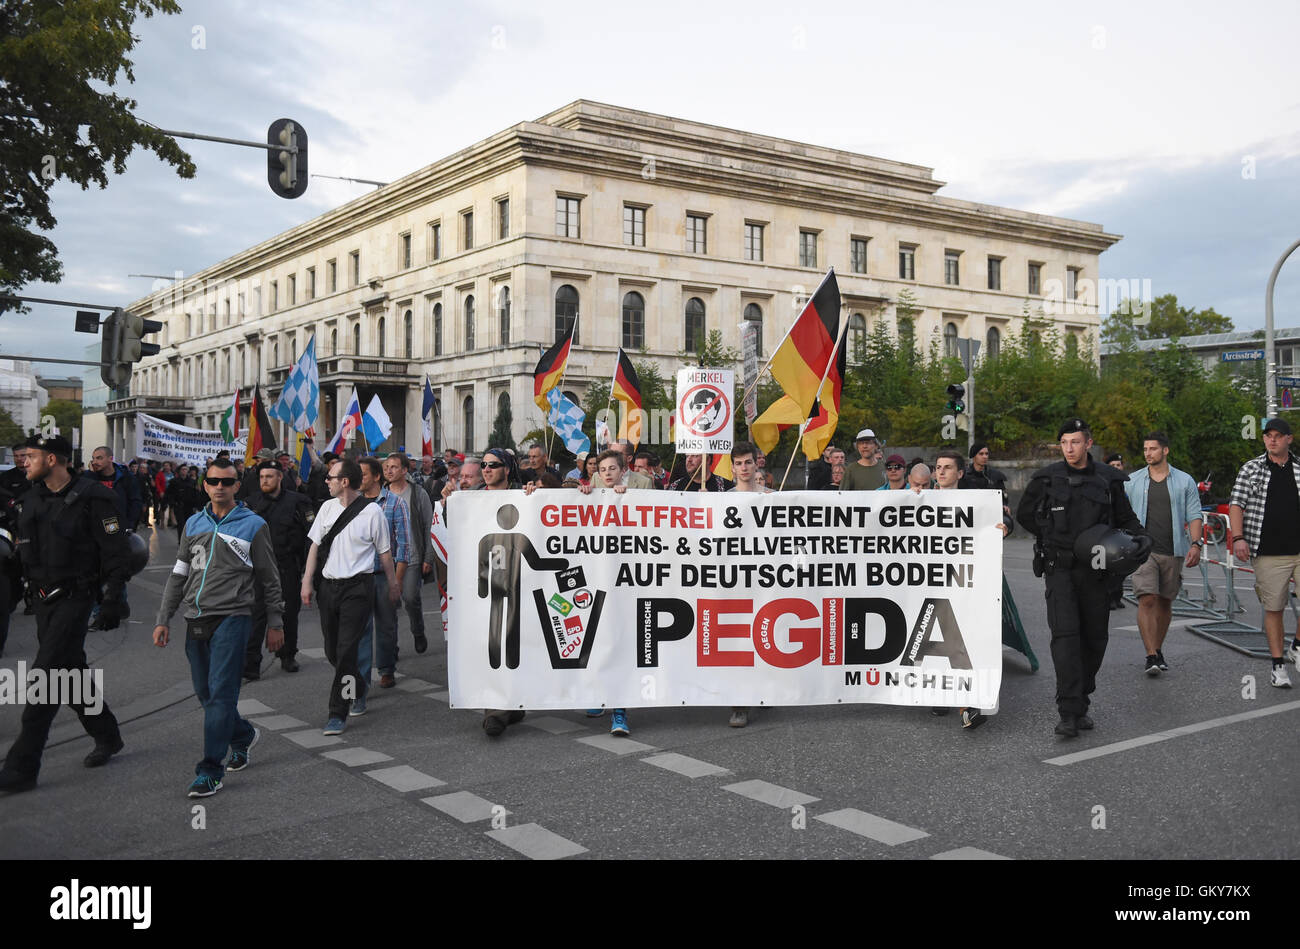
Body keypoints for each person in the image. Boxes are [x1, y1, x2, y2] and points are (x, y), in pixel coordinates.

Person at [0, 435, 128, 794]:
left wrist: (113, 600)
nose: (24, 462)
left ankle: (21, 767)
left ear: (53, 460)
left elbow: (116, 552)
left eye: (32, 457)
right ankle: (107, 734)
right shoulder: (31, 498)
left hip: (76, 597)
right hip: (42, 602)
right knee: (69, 674)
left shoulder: (95, 497)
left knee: (45, 676)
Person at [152, 457, 284, 797]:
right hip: (196, 619)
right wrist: (163, 619)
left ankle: (210, 770)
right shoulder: (194, 523)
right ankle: (241, 735)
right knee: (207, 695)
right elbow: (179, 575)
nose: (220, 487)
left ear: (237, 486)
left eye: (227, 482)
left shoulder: (253, 524)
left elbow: (269, 578)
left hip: (234, 617)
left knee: (221, 695)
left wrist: (275, 621)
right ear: (205, 484)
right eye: (213, 481)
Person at [1017, 418, 1146, 738]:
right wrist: (1053, 537)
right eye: (1064, 443)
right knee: (1065, 638)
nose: (1069, 449)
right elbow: (1025, 515)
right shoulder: (1047, 479)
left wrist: (1141, 538)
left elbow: (1126, 517)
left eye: (1075, 442)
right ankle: (1069, 710)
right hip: (1060, 571)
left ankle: (1082, 697)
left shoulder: (1108, 480)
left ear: (1089, 443)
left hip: (1098, 572)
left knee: (1094, 638)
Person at [301, 458, 399, 736]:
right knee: (333, 650)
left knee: (346, 651)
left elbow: (384, 553)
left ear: (344, 481)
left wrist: (392, 585)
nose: (326, 482)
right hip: (329, 587)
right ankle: (355, 683)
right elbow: (314, 547)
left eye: (330, 478)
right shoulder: (326, 508)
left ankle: (338, 712)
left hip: (358, 588)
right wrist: (307, 581)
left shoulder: (372, 513)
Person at [1123, 432, 1203, 676]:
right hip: (1143, 550)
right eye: (1145, 449)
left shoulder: (1184, 481)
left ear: (1165, 451)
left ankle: (1158, 650)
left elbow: (1195, 514)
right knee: (1147, 598)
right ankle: (1150, 655)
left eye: (1153, 449)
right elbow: (1118, 511)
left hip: (1174, 549)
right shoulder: (1132, 481)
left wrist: (1196, 544)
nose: (1148, 453)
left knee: (1166, 602)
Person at [1228, 418, 1300, 687]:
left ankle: (1297, 645)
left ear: (1289, 439)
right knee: (1274, 608)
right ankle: (1278, 665)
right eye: (1268, 436)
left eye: (1278, 436)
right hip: (1268, 551)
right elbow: (1236, 504)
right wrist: (1238, 538)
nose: (1272, 440)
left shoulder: (1298, 468)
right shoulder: (1252, 469)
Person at [576, 449, 635, 736]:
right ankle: (600, 695)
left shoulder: (629, 496)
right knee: (596, 643)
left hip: (624, 585)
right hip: (595, 582)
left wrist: (625, 496)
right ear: (596, 472)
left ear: (623, 471)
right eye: (603, 469)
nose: (608, 473)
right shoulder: (586, 496)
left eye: (613, 468)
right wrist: (582, 493)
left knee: (619, 644)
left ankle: (620, 710)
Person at [475, 447, 532, 737]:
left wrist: (537, 495)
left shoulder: (524, 497)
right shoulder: (470, 500)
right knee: (491, 646)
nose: (486, 469)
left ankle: (511, 703)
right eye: (483, 464)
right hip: (488, 590)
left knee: (515, 645)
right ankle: (495, 710)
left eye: (493, 465)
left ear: (506, 469)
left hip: (519, 585)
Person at [244, 459, 314, 676]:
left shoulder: (298, 502)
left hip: (286, 567)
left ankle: (287, 655)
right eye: (262, 477)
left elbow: (310, 537)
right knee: (255, 615)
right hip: (256, 569)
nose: (265, 481)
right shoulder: (250, 503)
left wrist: (306, 571)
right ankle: (251, 663)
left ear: (280, 477)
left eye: (270, 476)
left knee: (288, 613)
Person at [355, 456, 412, 699]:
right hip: (358, 577)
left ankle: (387, 668)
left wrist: (396, 581)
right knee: (360, 630)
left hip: (383, 576)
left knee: (386, 626)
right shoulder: (351, 503)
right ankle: (361, 679)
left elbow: (403, 545)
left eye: (364, 475)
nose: (359, 480)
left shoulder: (395, 504)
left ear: (376, 477)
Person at [725, 442, 771, 728]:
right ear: (732, 468)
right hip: (735, 583)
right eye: (739, 463)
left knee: (766, 638)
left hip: (766, 581)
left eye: (748, 463)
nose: (744, 468)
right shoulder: (722, 500)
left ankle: (766, 690)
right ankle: (739, 703)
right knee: (737, 640)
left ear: (757, 465)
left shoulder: (772, 498)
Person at [84, 445, 142, 629]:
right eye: (93, 458)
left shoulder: (125, 478)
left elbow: (135, 501)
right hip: (93, 535)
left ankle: (119, 601)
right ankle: (99, 614)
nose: (95, 461)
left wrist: (130, 525)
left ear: (110, 458)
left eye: (99, 457)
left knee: (116, 571)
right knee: (94, 574)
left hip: (117, 532)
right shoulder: (88, 479)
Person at [384, 452, 434, 657]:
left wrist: (428, 557)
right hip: (387, 559)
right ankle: (390, 647)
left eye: (394, 467)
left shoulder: (417, 493)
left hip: (412, 556)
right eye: (386, 467)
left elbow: (428, 525)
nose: (389, 470)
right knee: (387, 605)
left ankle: (418, 631)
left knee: (411, 598)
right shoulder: (380, 494)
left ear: (405, 470)